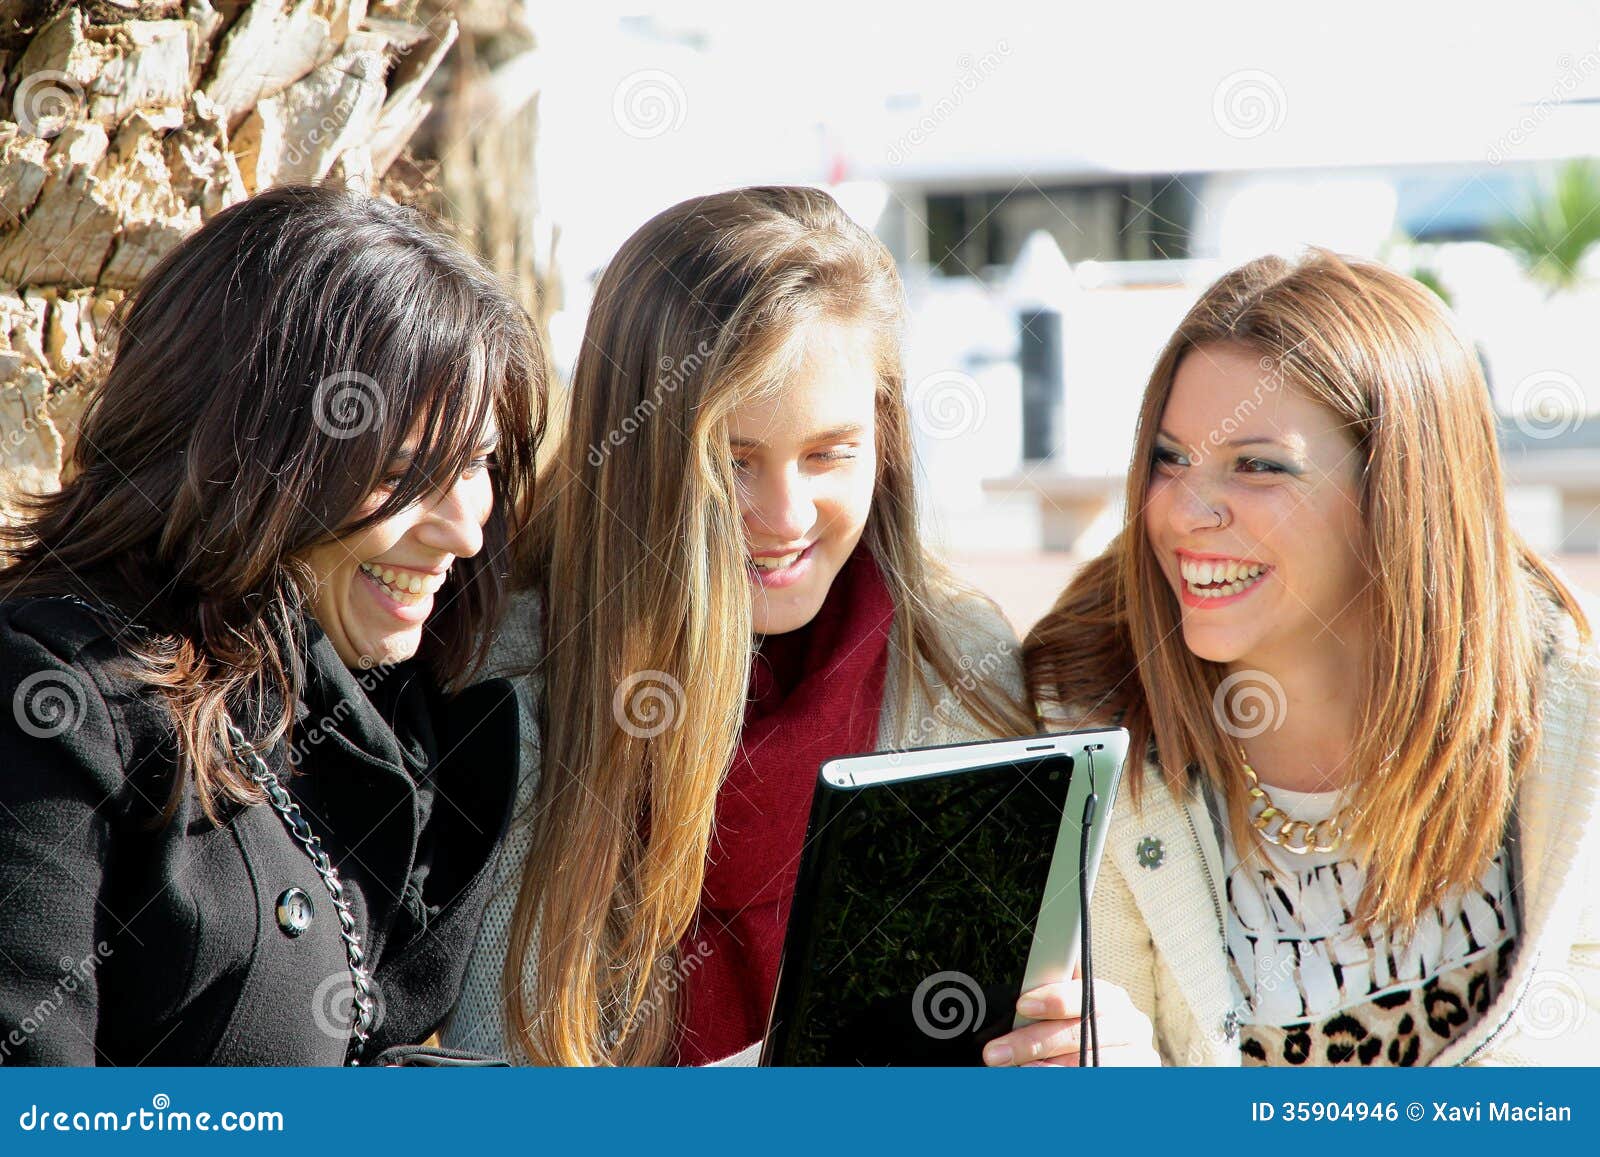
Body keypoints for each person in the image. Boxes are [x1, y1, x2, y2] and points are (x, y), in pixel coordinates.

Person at [442, 186, 1103, 1066]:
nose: (784, 514)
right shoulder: (512, 690)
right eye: (732, 460)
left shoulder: (957, 660)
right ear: (639, 457)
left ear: (887, 436)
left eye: (829, 452)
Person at [0, 185, 545, 1065]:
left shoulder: (392, 712)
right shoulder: (51, 698)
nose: (464, 527)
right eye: (401, 471)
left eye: (477, 461)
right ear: (246, 456)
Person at [1024, 250, 1599, 1065]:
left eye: (1258, 465)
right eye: (1169, 457)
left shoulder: (1566, 707)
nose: (1185, 511)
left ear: (1400, 490)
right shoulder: (1085, 733)